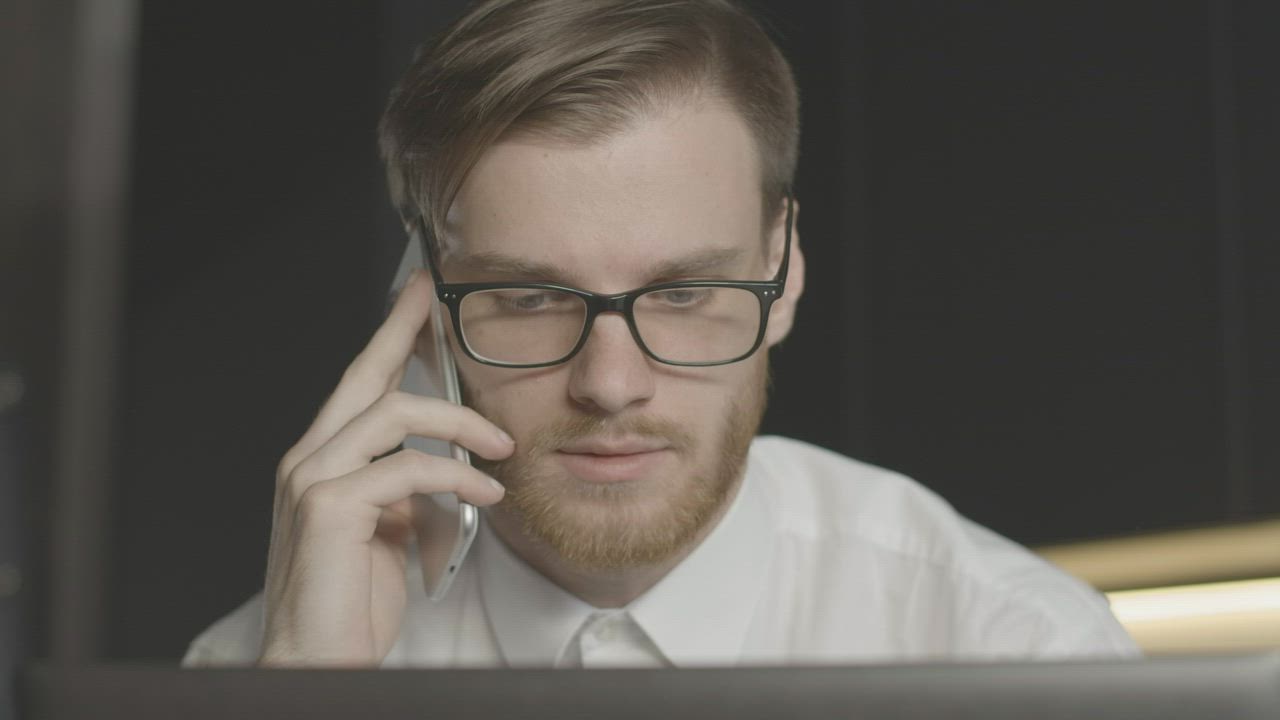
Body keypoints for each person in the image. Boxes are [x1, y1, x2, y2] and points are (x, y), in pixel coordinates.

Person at [183, 0, 1138, 668]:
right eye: (529, 297)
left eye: (684, 292)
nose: (611, 383)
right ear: (424, 304)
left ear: (783, 271)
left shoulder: (1022, 649)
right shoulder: (263, 669)